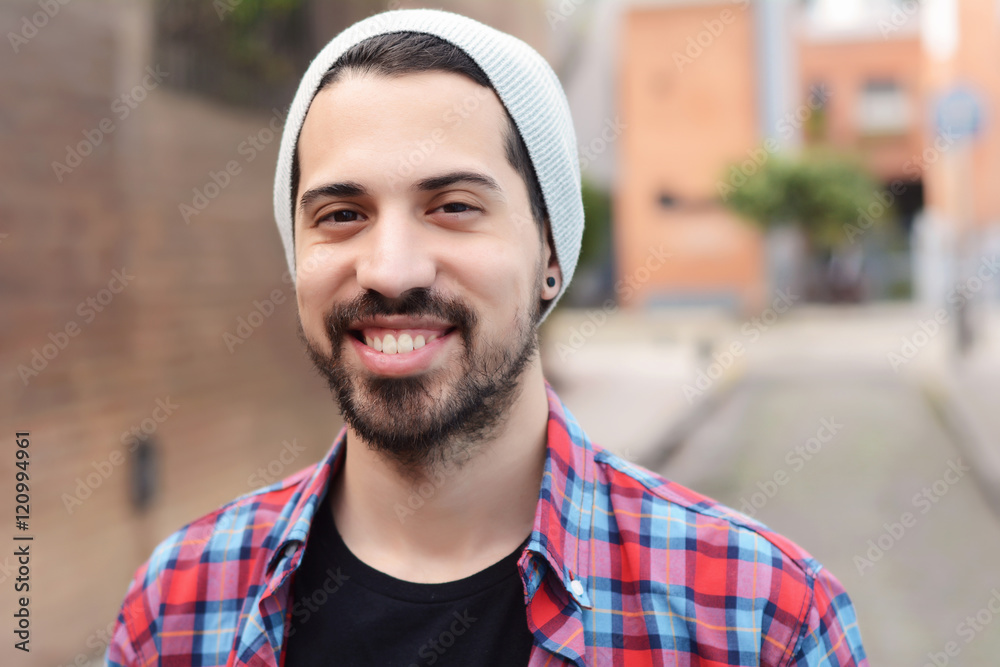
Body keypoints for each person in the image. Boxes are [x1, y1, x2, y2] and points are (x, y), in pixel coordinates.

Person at [106, 9, 867, 666]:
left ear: (549, 251)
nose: (391, 270)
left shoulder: (761, 617)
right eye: (342, 214)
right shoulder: (177, 607)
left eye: (453, 206)